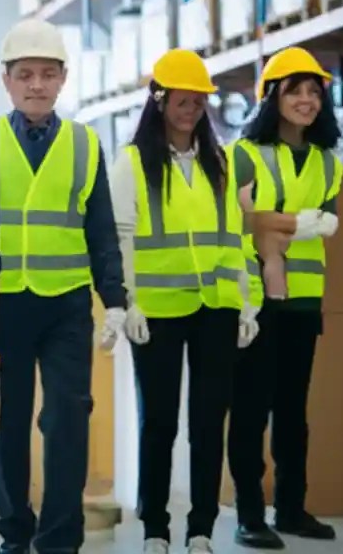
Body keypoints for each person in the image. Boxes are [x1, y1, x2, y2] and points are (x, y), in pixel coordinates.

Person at [107, 49, 260, 554]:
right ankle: (154, 528)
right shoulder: (132, 164)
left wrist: (246, 302)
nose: (191, 107)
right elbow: (122, 237)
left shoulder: (220, 162)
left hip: (214, 307)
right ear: (160, 100)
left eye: (198, 100)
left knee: (208, 422)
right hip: (158, 312)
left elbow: (235, 236)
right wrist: (127, 303)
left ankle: (200, 528)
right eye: (182, 99)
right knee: (159, 423)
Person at [0, 18, 127, 554]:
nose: (37, 85)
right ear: (7, 80)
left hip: (66, 304)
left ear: (63, 78)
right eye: (26, 74)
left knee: (69, 415)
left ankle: (59, 539)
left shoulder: (85, 144)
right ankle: (14, 535)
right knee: (8, 423)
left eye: (47, 74)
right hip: (3, 301)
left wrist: (114, 301)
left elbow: (101, 230)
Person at [225, 46, 343, 548]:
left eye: (314, 91)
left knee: (293, 412)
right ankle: (250, 514)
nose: (306, 100)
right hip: (255, 300)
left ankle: (291, 508)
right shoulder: (244, 155)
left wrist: (273, 223)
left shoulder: (327, 163)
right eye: (295, 90)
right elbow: (237, 225)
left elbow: (332, 223)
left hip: (303, 300)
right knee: (251, 408)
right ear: (272, 97)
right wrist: (303, 223)